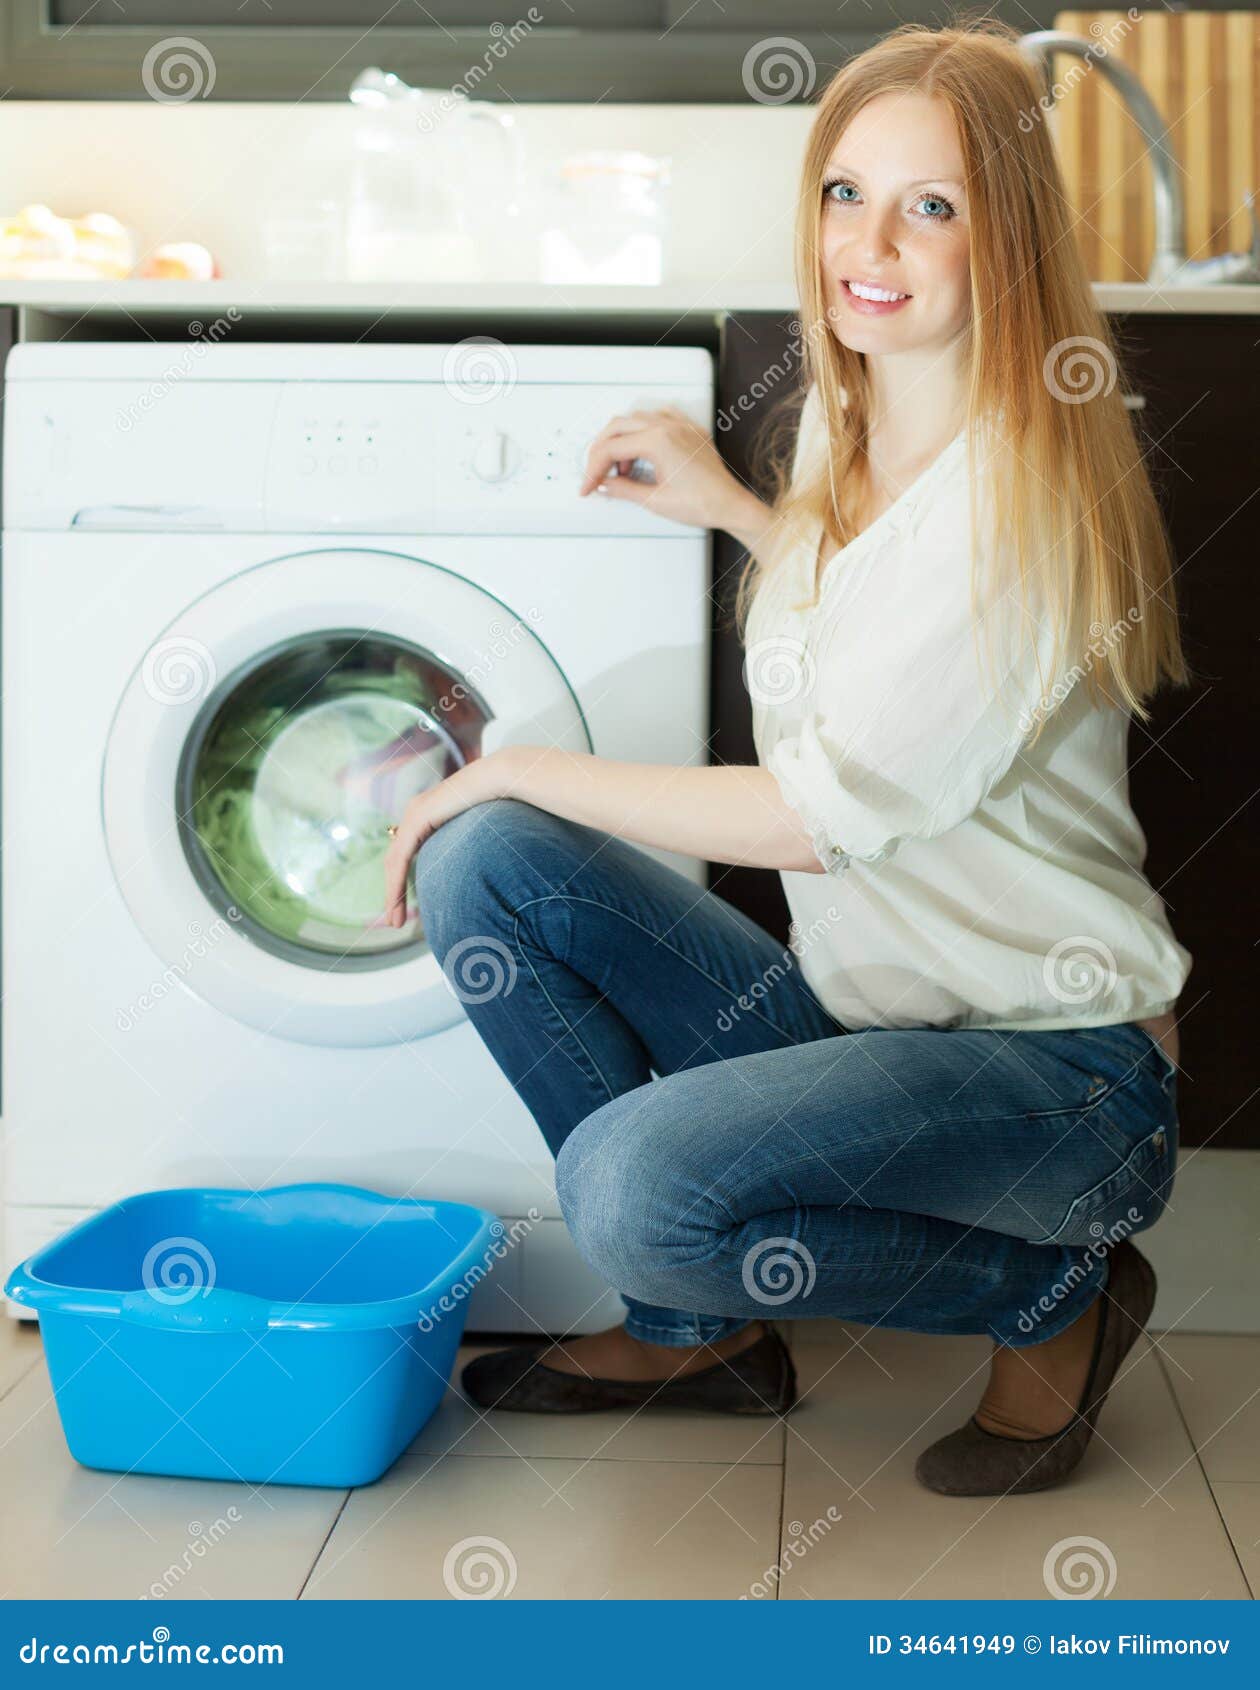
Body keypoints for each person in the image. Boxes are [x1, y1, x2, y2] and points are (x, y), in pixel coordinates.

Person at [381, 18, 1191, 1497]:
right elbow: (871, 645)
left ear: (1003, 239)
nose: (867, 243)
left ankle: (1053, 1294)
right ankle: (703, 1330)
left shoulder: (1020, 506)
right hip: (861, 1025)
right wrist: (745, 514)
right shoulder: (855, 411)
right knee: (483, 870)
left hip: (1057, 1083)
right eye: (845, 193)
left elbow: (819, 814)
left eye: (930, 206)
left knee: (625, 1187)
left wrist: (505, 763)